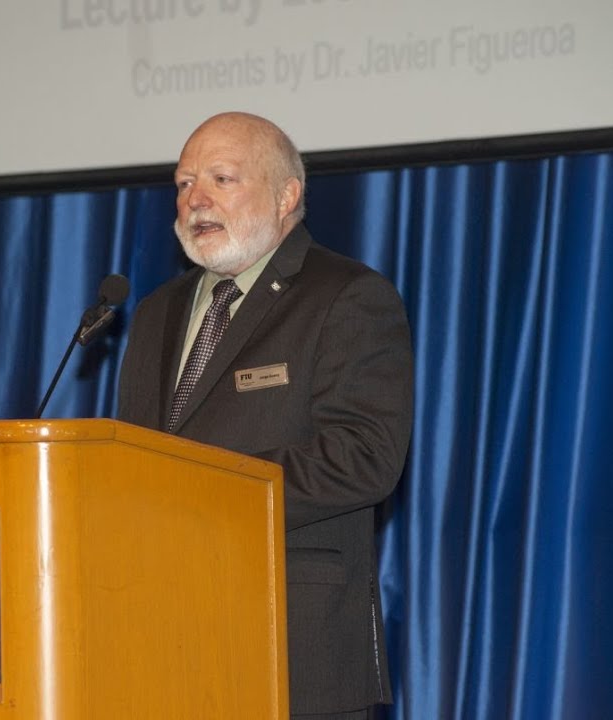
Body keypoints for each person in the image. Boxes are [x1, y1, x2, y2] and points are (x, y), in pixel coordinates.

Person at [116, 111, 415, 719]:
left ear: (287, 195)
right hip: (157, 642)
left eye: (221, 179)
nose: (194, 198)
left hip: (289, 646)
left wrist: (202, 491)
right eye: (183, 183)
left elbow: (364, 459)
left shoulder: (347, 296)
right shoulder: (154, 312)